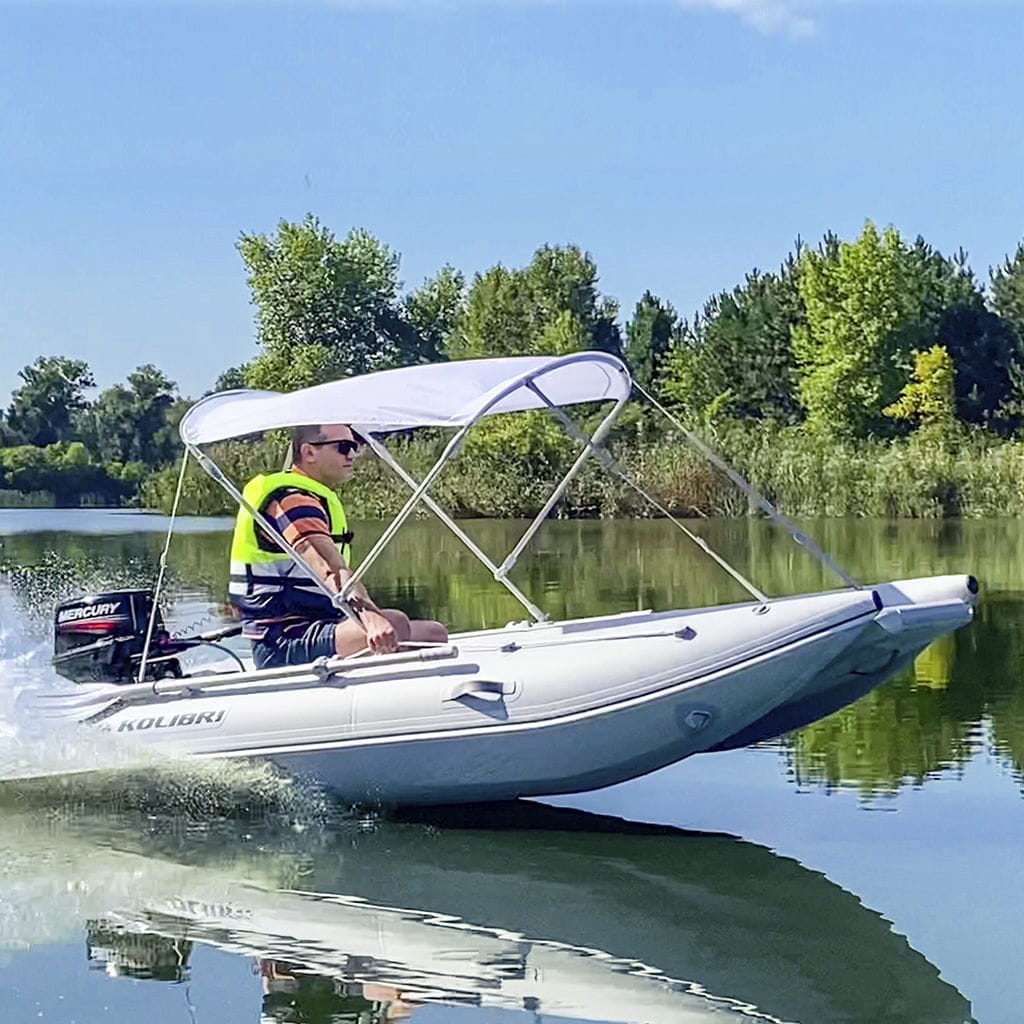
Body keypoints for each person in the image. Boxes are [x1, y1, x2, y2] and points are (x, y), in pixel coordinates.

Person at [229, 423, 448, 669]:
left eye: (354, 446)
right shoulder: (292, 500)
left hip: (320, 625)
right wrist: (371, 618)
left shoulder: (310, 496)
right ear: (310, 452)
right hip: (282, 641)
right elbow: (327, 567)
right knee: (394, 623)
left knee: (434, 634)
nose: (352, 454)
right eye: (343, 447)